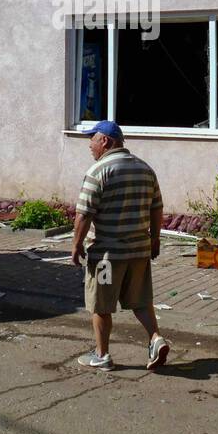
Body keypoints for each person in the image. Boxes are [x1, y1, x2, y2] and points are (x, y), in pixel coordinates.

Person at [71, 120, 169, 371]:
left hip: (107, 256)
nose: (89, 145)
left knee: (101, 305)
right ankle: (155, 339)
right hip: (138, 251)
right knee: (140, 301)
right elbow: (157, 207)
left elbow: (84, 214)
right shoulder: (144, 169)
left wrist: (76, 245)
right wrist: (154, 239)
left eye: (92, 139)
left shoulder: (98, 171)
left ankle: (102, 355)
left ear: (105, 140)